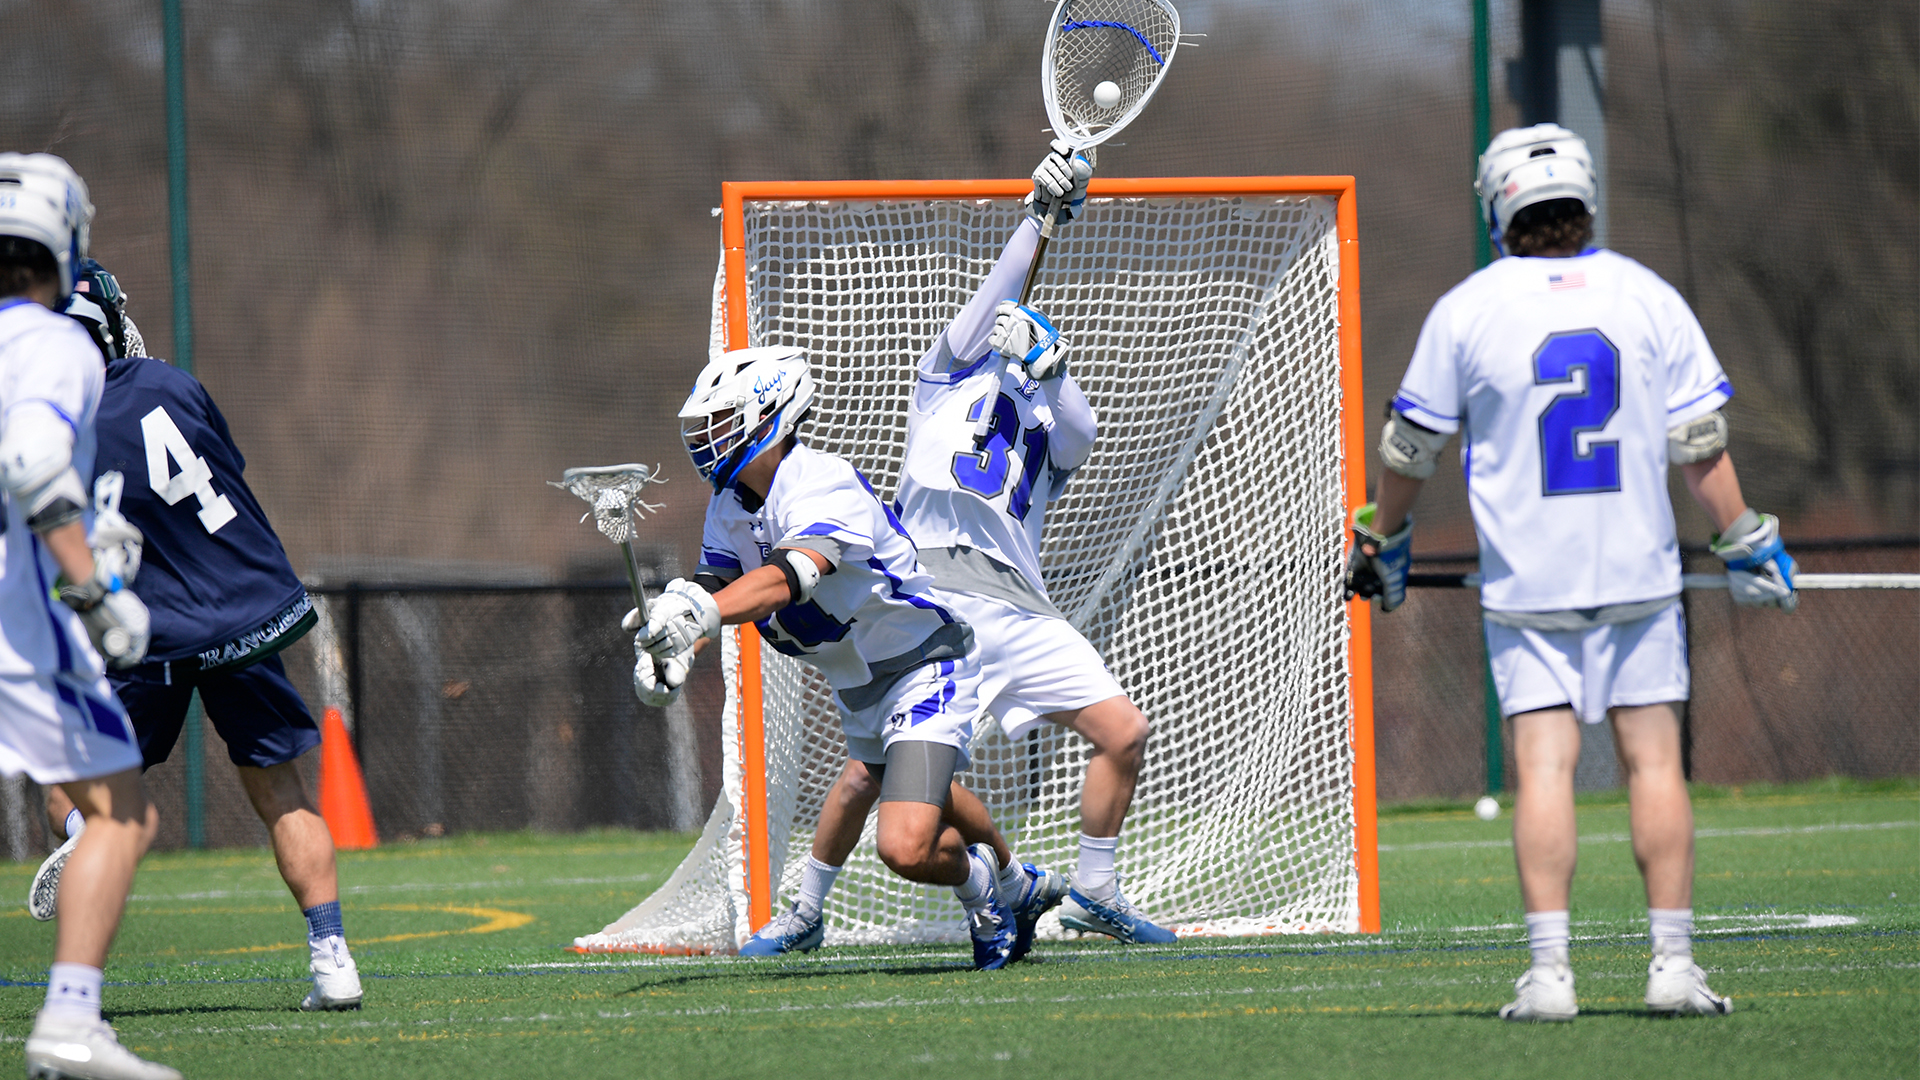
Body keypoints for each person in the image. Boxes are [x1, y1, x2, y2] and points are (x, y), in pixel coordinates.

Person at [1346, 124, 1798, 1022]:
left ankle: (1551, 977)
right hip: (1638, 574)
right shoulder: (1648, 296)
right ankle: (1672, 966)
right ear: (1584, 201)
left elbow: (1410, 446)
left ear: (1496, 208)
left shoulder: (1468, 309)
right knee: (1654, 763)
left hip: (1528, 588)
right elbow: (1699, 448)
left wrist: (1380, 536)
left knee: (1545, 766)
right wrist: (1745, 538)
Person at [737, 142, 1173, 959]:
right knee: (874, 773)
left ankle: (1094, 890)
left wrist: (1053, 368)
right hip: (934, 605)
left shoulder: (1049, 423)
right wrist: (1039, 215)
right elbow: (995, 297)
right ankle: (812, 908)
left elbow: (1085, 429)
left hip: (1019, 604)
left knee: (1125, 731)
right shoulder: (941, 379)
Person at [631, 344, 1063, 970]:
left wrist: (704, 614)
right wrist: (674, 648)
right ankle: (1012, 885)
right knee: (889, 780)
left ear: (768, 417)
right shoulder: (729, 505)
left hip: (921, 664)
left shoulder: (820, 481)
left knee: (906, 845)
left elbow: (786, 580)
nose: (708, 437)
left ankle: (985, 888)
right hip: (859, 678)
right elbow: (713, 590)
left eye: (722, 421)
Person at [32, 257, 363, 1013]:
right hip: (245, 612)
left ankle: (87, 838)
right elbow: (224, 474)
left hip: (147, 630)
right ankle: (332, 956)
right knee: (282, 791)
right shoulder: (173, 385)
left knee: (66, 788)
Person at [0, 152, 179, 1080]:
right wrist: (97, 591)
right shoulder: (58, 344)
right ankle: (71, 1022)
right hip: (19, 627)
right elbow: (33, 469)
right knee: (119, 811)